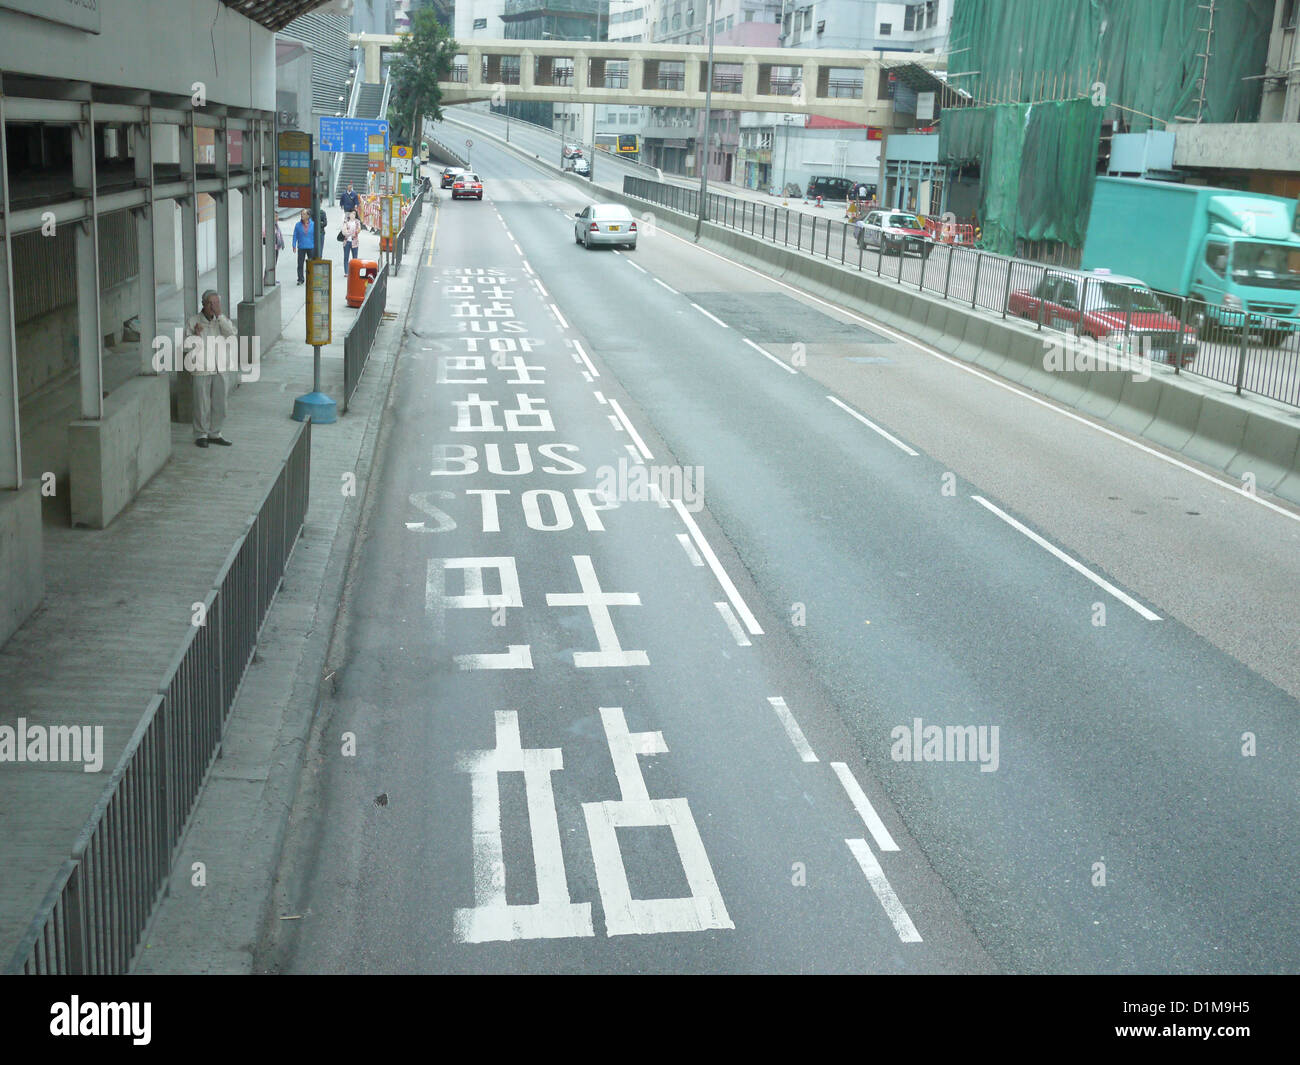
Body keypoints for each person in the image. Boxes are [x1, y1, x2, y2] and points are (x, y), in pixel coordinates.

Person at [186, 289, 236, 448]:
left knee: (220, 403)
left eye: (217, 303)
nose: (214, 307)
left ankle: (215, 433)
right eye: (211, 303)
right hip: (201, 368)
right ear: (203, 304)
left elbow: (231, 335)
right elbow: (187, 346)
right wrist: (196, 335)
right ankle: (201, 434)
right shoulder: (193, 321)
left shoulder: (221, 320)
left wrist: (220, 316)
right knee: (201, 404)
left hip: (220, 367)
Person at [292, 208, 314, 285]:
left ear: (308, 216)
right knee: (300, 264)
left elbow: (316, 235)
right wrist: (294, 245)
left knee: (311, 264)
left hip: (311, 246)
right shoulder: (298, 225)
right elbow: (295, 235)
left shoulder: (313, 224)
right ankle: (300, 279)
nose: (302, 215)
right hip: (301, 246)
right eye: (301, 214)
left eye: (304, 214)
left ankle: (311, 278)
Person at [341, 209, 361, 274]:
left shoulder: (357, 222)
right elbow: (344, 231)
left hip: (355, 242)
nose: (353, 215)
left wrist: (350, 232)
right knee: (346, 257)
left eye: (354, 214)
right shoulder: (346, 221)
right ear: (349, 214)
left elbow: (358, 230)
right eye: (352, 213)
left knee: (355, 258)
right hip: (346, 242)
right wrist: (351, 232)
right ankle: (346, 272)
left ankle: (354, 272)